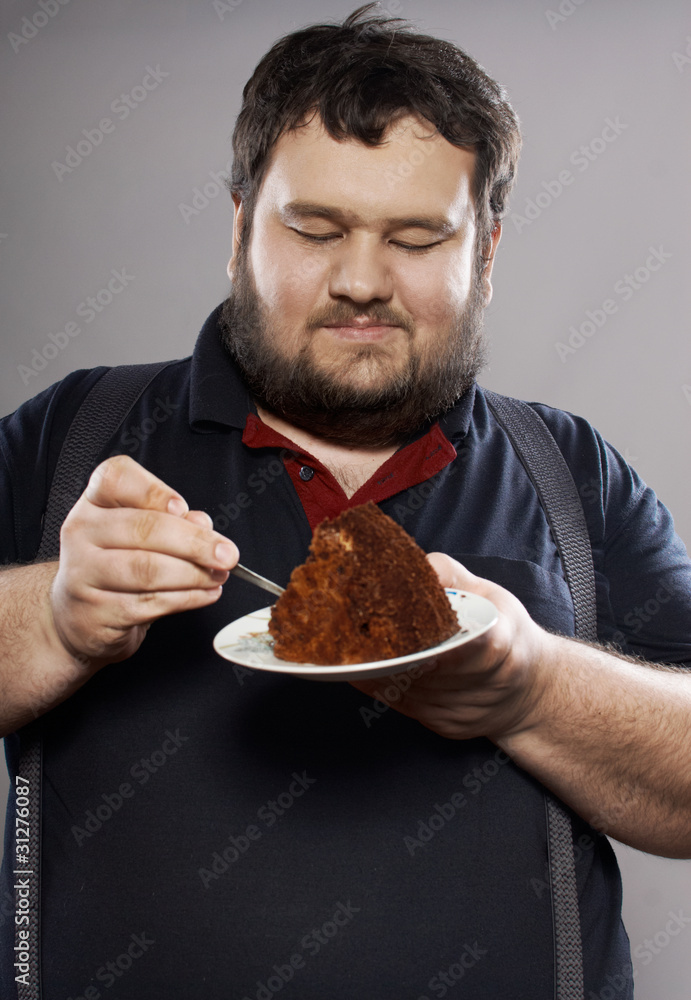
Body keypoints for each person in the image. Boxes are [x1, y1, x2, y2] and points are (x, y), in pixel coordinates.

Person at [1, 4, 690, 998]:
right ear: (240, 226)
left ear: (485, 252)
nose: (360, 280)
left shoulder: (571, 469)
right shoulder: (68, 435)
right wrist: (52, 619)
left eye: (415, 237)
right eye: (315, 229)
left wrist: (534, 687)